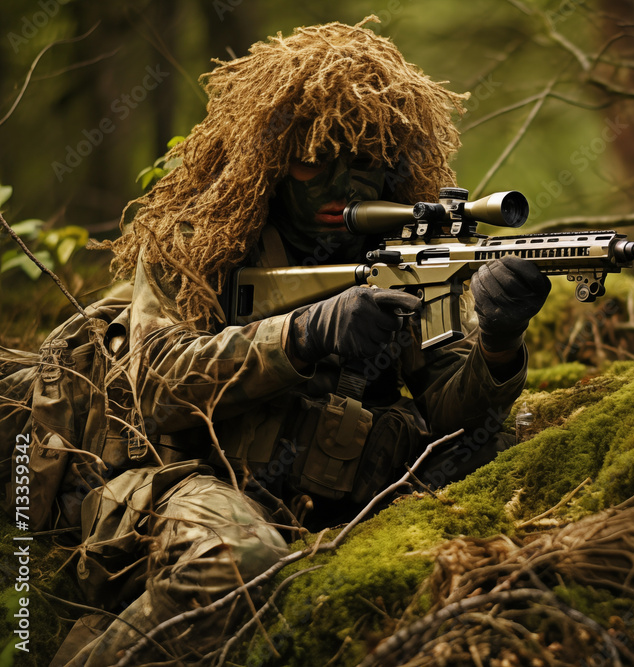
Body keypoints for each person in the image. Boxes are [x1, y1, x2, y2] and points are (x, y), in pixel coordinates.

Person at [8, 18, 550, 666]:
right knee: (241, 562)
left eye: (365, 162)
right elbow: (156, 384)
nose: (342, 184)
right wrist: (306, 332)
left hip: (306, 491)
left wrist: (498, 340)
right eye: (316, 158)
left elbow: (451, 415)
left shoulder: (398, 255)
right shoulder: (201, 240)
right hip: (168, 476)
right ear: (271, 155)